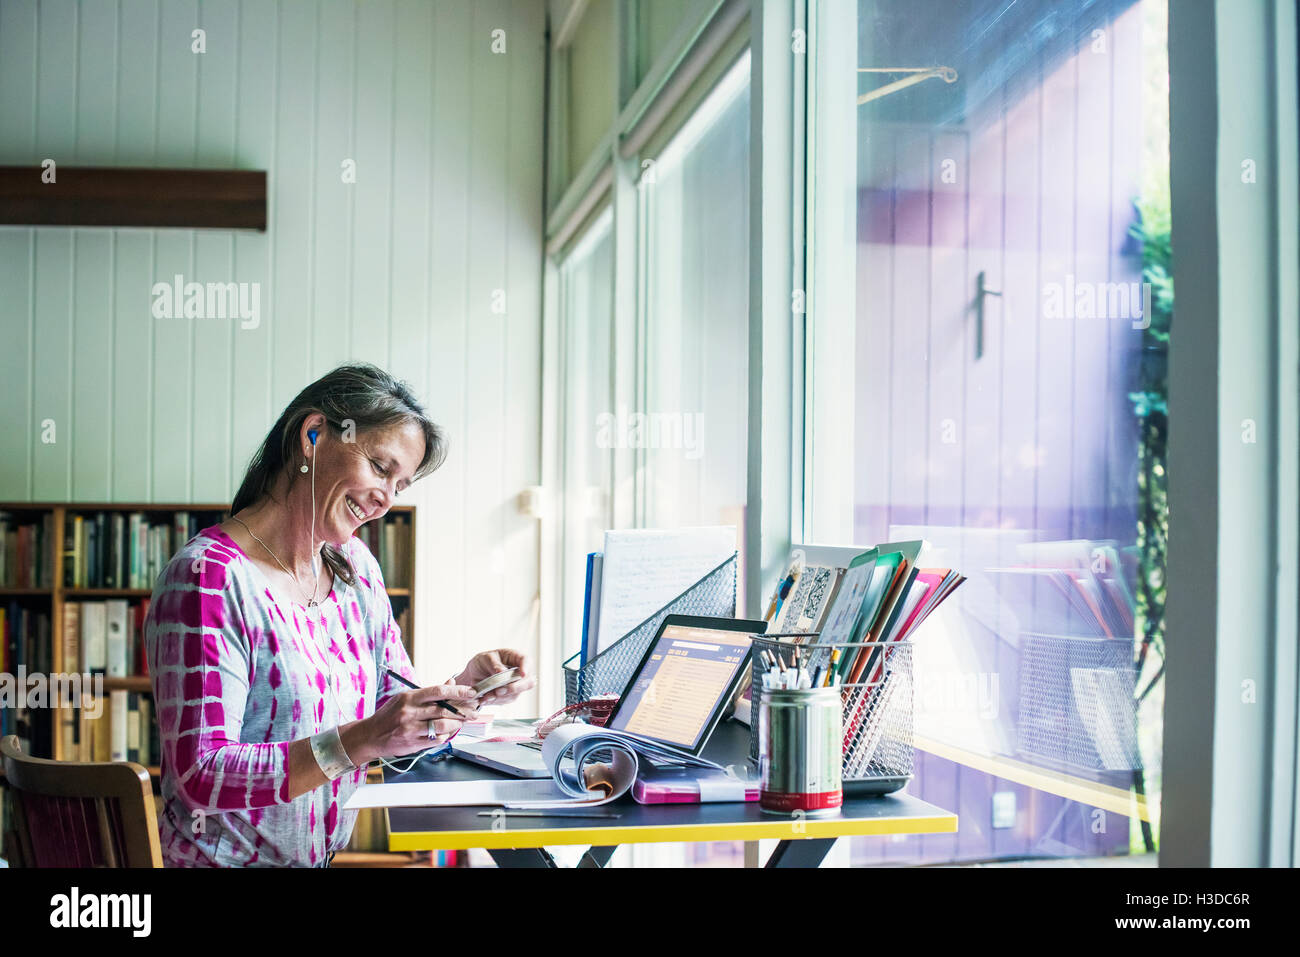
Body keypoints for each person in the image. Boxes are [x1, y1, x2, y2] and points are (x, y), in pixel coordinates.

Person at [144, 362, 534, 866]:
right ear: (313, 435)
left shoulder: (356, 568)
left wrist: (464, 690)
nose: (386, 500)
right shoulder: (208, 577)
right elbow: (202, 775)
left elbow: (395, 722)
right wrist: (361, 740)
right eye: (379, 467)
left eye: (401, 486)